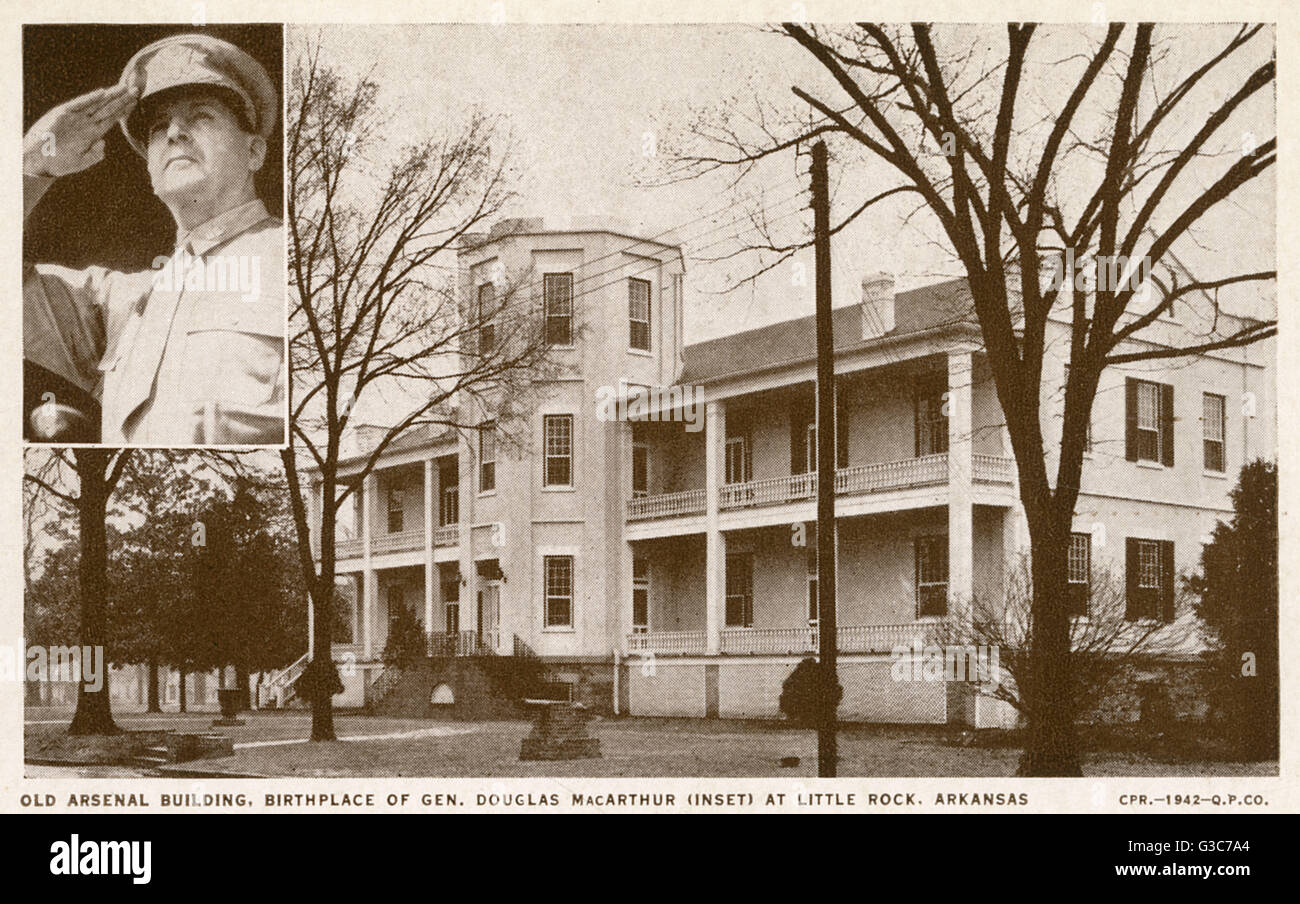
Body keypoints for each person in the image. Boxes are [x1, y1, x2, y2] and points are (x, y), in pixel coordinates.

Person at [23, 33, 285, 445]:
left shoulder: (294, 261)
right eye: (159, 127)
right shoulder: (121, 303)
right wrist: (31, 164)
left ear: (254, 151)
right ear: (150, 171)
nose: (175, 132)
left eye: (201, 116)